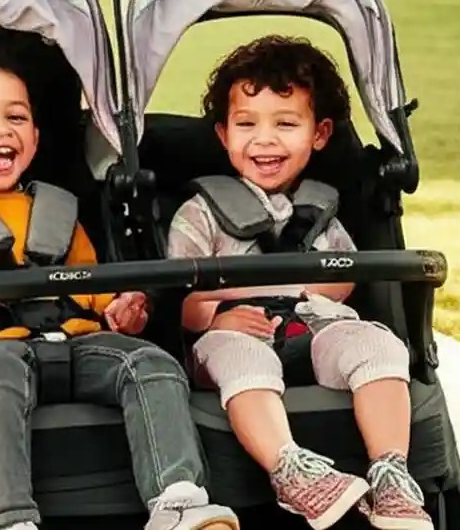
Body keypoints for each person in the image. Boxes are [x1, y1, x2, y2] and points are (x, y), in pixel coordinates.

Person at [0, 22, 238, 530]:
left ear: (33, 137)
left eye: (15, 117)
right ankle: (11, 519)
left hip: (75, 343)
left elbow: (92, 293)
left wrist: (121, 310)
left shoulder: (57, 213)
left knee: (150, 362)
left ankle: (179, 499)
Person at [166, 36, 433, 530]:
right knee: (240, 353)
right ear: (224, 135)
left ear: (319, 134)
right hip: (232, 336)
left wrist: (287, 291)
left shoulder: (322, 212)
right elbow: (180, 300)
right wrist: (221, 311)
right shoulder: (199, 214)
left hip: (316, 329)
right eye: (247, 125)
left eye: (285, 124)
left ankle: (391, 469)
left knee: (378, 344)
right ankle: (290, 470)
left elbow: (344, 281)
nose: (264, 140)